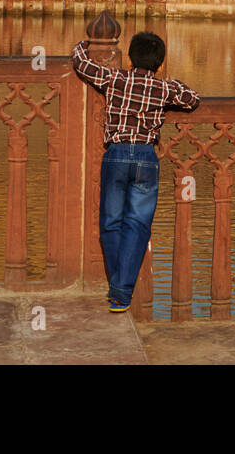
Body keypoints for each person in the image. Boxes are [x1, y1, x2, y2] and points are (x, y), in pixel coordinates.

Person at [72, 28, 200, 313]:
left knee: (111, 222)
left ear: (129, 59)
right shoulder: (164, 88)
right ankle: (122, 293)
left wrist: (82, 45)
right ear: (160, 62)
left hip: (116, 154)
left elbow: (82, 65)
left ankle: (117, 286)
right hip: (145, 156)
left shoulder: (115, 78)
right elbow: (192, 99)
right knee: (138, 225)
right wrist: (171, 82)